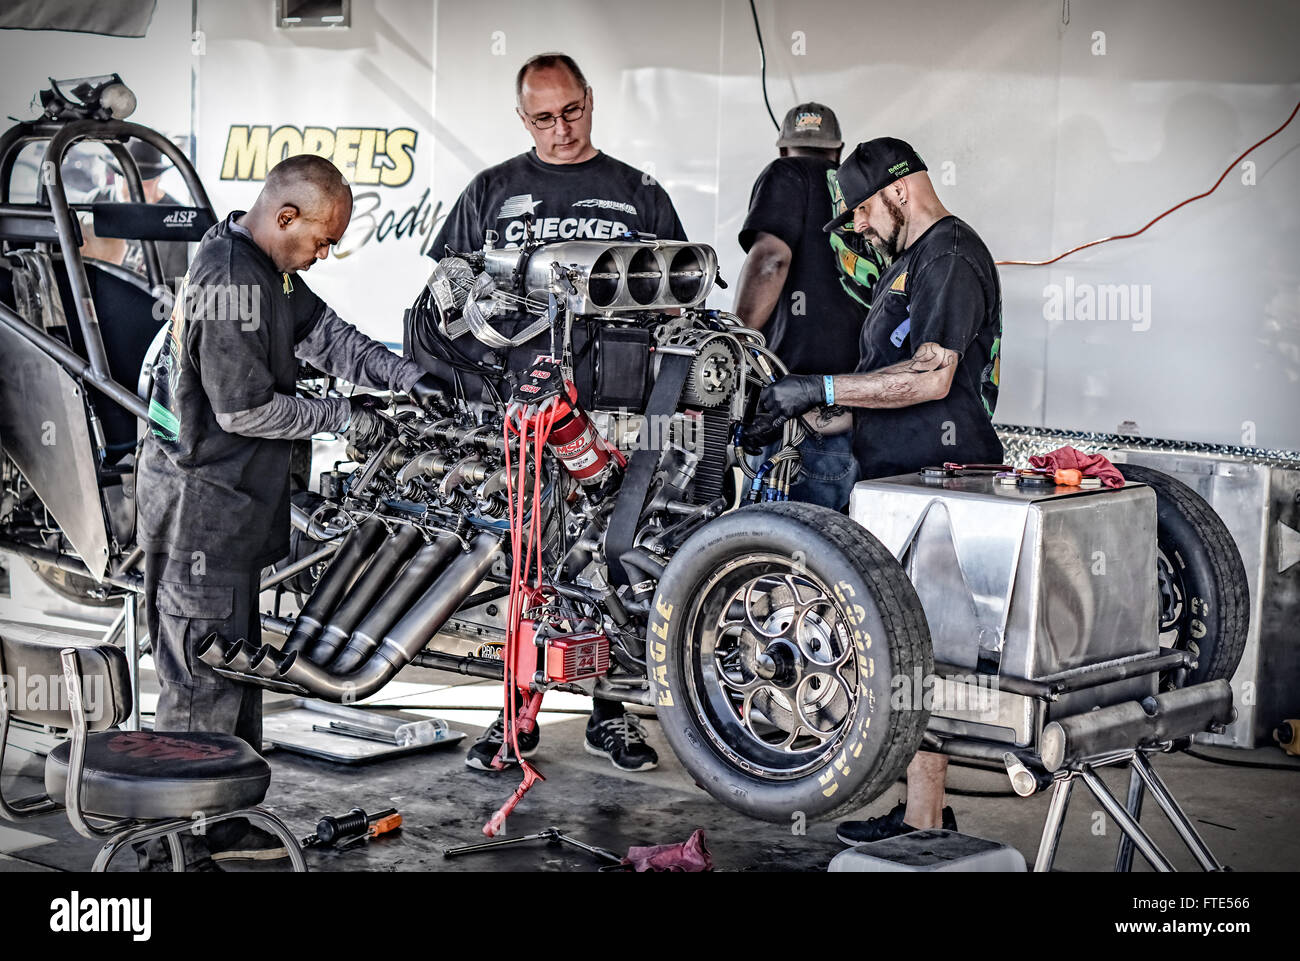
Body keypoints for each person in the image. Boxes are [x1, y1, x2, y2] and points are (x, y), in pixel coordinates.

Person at [135, 153, 442, 868]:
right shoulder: (226, 278)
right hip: (197, 511)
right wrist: (346, 417)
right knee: (199, 683)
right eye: (321, 239)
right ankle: (167, 848)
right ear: (284, 217)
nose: (326, 254)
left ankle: (223, 821)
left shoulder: (265, 268)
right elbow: (243, 409)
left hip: (232, 515)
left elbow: (326, 335)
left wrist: (403, 376)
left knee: (235, 677)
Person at [408, 52, 687, 774]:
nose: (561, 130)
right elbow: (447, 293)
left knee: (611, 566)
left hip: (619, 413)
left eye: (573, 112)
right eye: (543, 118)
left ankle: (611, 713)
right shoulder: (493, 190)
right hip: (527, 414)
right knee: (532, 566)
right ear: (521, 116)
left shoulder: (638, 192)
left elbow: (680, 299)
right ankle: (514, 719)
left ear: (591, 100)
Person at [745, 137, 1004, 843]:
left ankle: (926, 816)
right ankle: (921, 816)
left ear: (897, 189)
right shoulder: (907, 266)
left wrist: (820, 383)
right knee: (907, 652)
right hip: (895, 482)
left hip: (943, 488)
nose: (857, 228)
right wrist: (796, 412)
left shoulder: (949, 255)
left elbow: (931, 376)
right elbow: (886, 392)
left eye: (860, 211)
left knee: (926, 654)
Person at [732, 102, 885, 510]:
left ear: (783, 149)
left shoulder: (785, 173)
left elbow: (770, 259)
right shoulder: (864, 195)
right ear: (838, 150)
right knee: (835, 561)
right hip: (861, 413)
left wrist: (737, 341)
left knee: (773, 555)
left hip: (798, 414)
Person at [90, 140, 191, 283]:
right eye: (127, 180)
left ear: (158, 179)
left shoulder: (176, 218)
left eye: (144, 182)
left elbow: (175, 287)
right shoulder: (95, 202)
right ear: (117, 176)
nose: (133, 189)